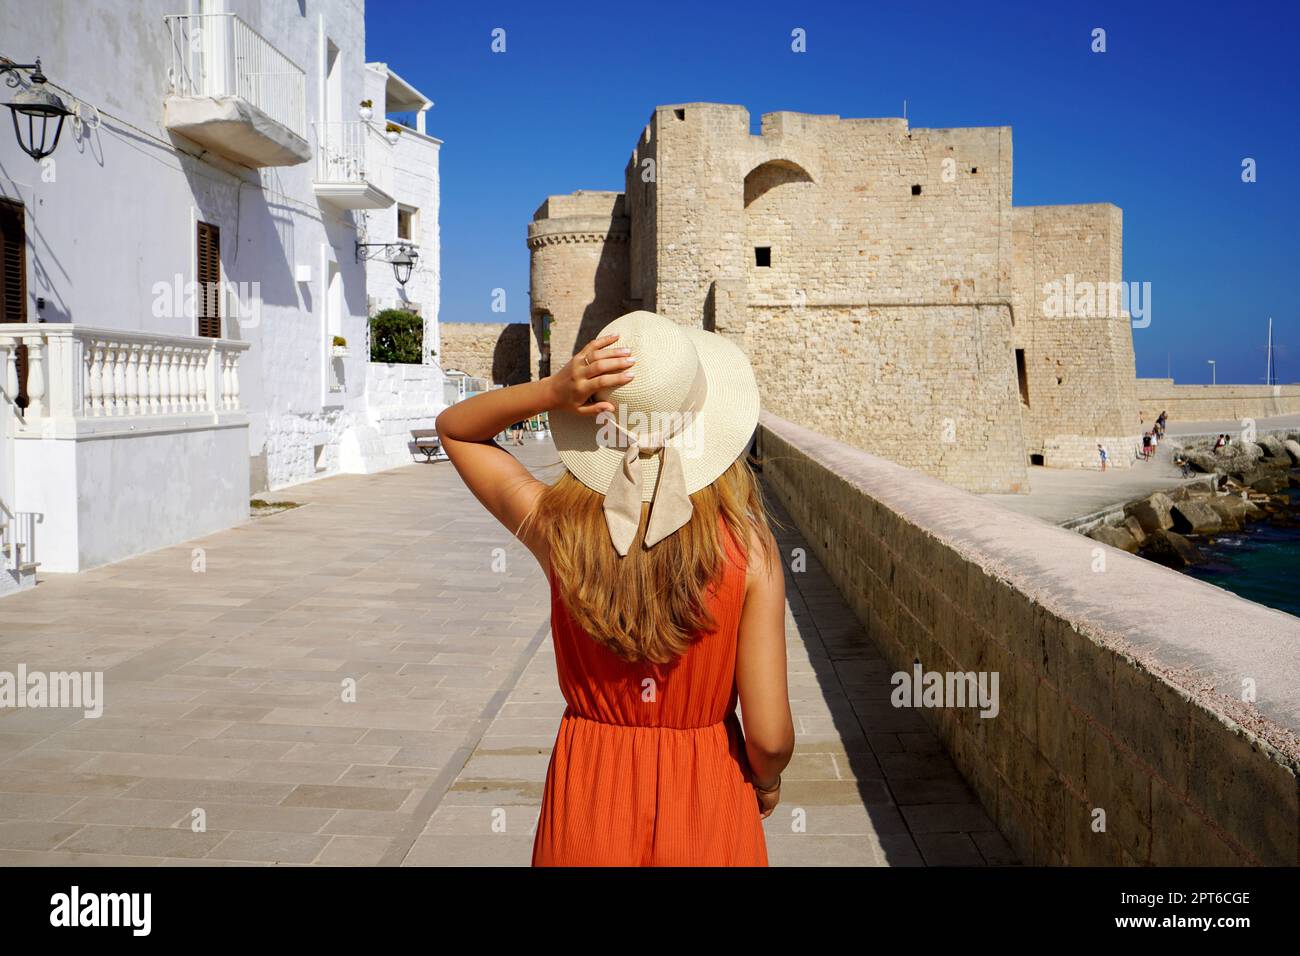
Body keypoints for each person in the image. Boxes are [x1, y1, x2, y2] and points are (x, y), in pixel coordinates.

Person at [436, 310, 793, 866]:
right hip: (708, 794)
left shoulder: (558, 530)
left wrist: (553, 391)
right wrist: (765, 783)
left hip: (590, 793)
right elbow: (769, 737)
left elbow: (457, 429)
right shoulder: (749, 549)